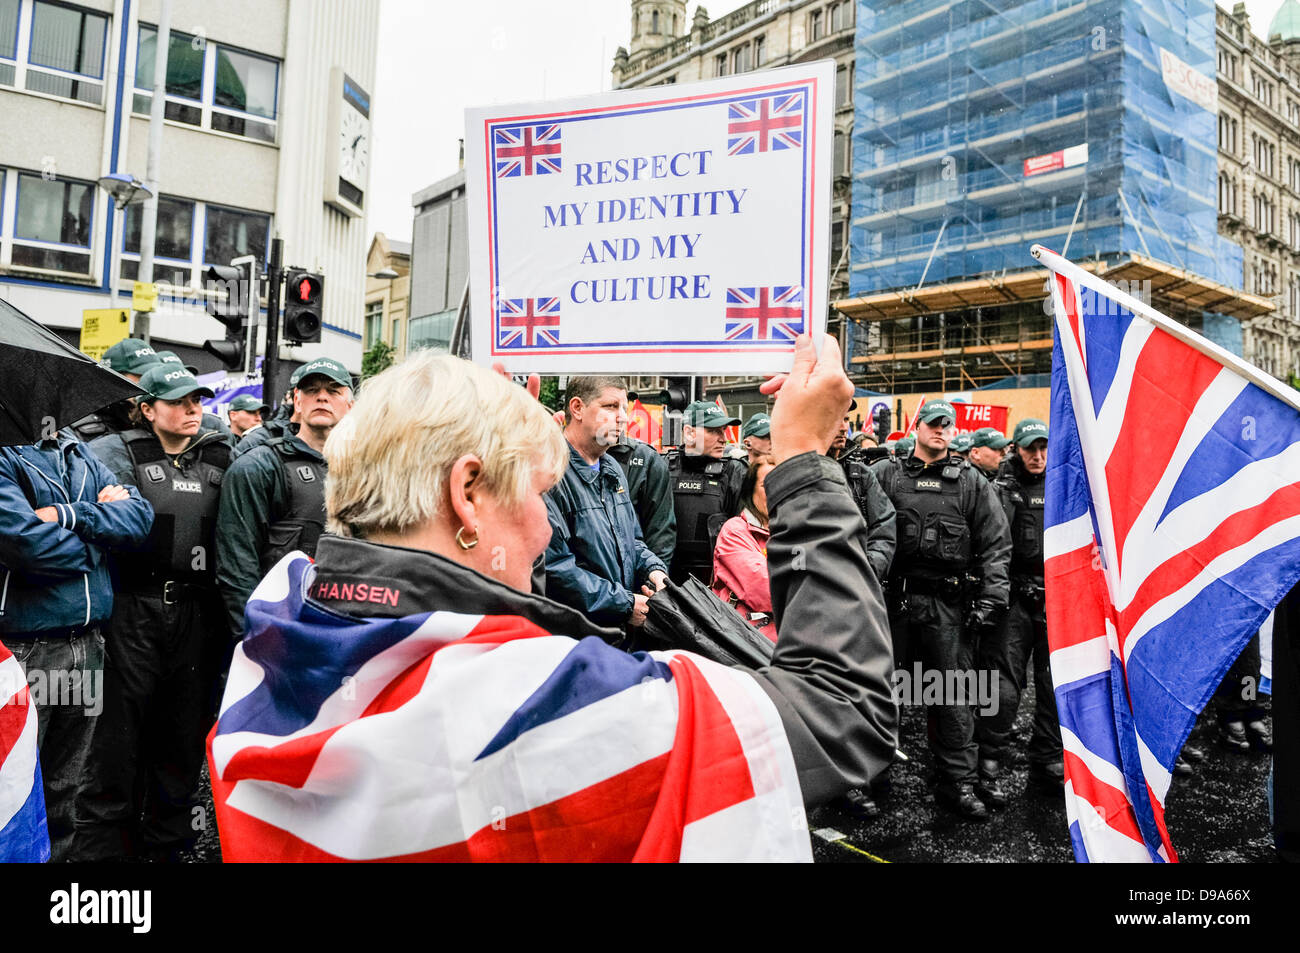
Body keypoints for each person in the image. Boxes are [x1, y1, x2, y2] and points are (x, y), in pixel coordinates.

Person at [206, 338, 898, 861]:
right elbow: (846, 716)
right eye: (538, 494)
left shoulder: (283, 626)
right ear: (467, 494)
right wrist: (805, 455)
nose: (543, 528)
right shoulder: (535, 702)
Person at [76, 364, 232, 860]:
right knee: (116, 743)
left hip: (195, 616)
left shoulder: (221, 455)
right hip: (131, 613)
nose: (192, 409)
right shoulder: (112, 453)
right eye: (179, 401)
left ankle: (168, 849)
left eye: (198, 400)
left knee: (182, 739)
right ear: (147, 409)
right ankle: (104, 855)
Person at [0, 429, 153, 860]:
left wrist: (66, 515)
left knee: (65, 791)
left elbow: (139, 517)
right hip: (25, 650)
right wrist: (103, 543)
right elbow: (28, 546)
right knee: (12, 792)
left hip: (85, 647)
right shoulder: (6, 454)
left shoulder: (75, 449)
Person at [872, 398, 1011, 820]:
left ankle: (957, 784)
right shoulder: (886, 475)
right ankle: (871, 778)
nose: (941, 430)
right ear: (917, 427)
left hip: (948, 607)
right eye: (933, 423)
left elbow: (995, 545)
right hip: (893, 603)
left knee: (952, 697)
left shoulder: (971, 483)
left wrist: (992, 599)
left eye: (947, 425)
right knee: (884, 693)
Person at [216, 357, 353, 641]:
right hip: (280, 627)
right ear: (297, 402)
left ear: (350, 405)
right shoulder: (258, 465)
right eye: (312, 390)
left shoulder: (371, 470)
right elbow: (237, 564)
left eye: (333, 390)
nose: (322, 397)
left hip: (348, 625)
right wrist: (255, 636)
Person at [974, 417, 1062, 807]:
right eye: (1030, 448)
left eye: (1043, 448)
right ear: (1016, 449)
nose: (1038, 456)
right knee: (1003, 687)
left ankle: (1048, 758)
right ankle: (987, 758)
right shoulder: (1000, 489)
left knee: (1052, 685)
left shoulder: (1064, 484)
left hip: (1056, 597)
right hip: (1012, 599)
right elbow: (989, 545)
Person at [544, 377, 668, 630]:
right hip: (576, 636)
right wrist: (623, 604)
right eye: (611, 406)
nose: (623, 417)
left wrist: (654, 570)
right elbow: (555, 568)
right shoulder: (550, 472)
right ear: (577, 408)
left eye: (624, 408)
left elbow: (631, 541)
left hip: (618, 633)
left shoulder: (612, 468)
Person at [665, 400, 746, 584]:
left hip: (715, 586)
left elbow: (744, 537)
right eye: (713, 431)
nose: (723, 438)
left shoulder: (734, 471)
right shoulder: (663, 467)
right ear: (689, 433)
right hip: (667, 582)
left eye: (723, 430)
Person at [712, 460, 777, 641]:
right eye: (767, 485)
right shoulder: (735, 531)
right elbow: (767, 589)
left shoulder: (795, 531)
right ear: (750, 490)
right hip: (748, 644)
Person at [605, 420, 676, 568]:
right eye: (609, 406)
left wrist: (654, 575)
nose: (620, 417)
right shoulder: (562, 457)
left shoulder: (646, 458)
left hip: (634, 579)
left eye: (623, 407)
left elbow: (660, 532)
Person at [69, 338, 159, 442]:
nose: (151, 381)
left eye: (154, 375)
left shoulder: (157, 420)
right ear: (114, 379)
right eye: (142, 375)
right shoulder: (83, 429)